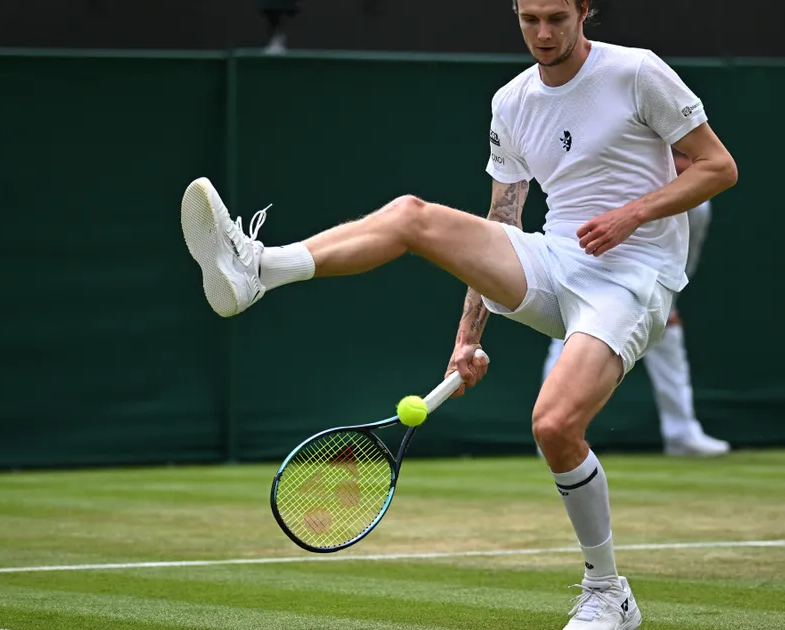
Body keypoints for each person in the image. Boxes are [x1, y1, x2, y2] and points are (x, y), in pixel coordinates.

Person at [179, 0, 737, 626]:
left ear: (586, 10)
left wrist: (633, 214)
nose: (543, 33)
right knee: (414, 214)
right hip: (556, 259)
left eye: (557, 17)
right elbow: (501, 225)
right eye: (530, 19)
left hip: (633, 278)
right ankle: (257, 269)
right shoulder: (512, 102)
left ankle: (608, 591)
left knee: (554, 426)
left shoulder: (637, 72)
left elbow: (720, 167)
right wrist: (465, 341)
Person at [540, 148, 731, 457]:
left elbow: (684, 260)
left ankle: (682, 434)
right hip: (590, 283)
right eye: (676, 157)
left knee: (670, 339)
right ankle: (551, 437)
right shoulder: (616, 185)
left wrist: (668, 301)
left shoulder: (698, 209)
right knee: (565, 347)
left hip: (651, 288)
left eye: (688, 158)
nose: (682, 165)